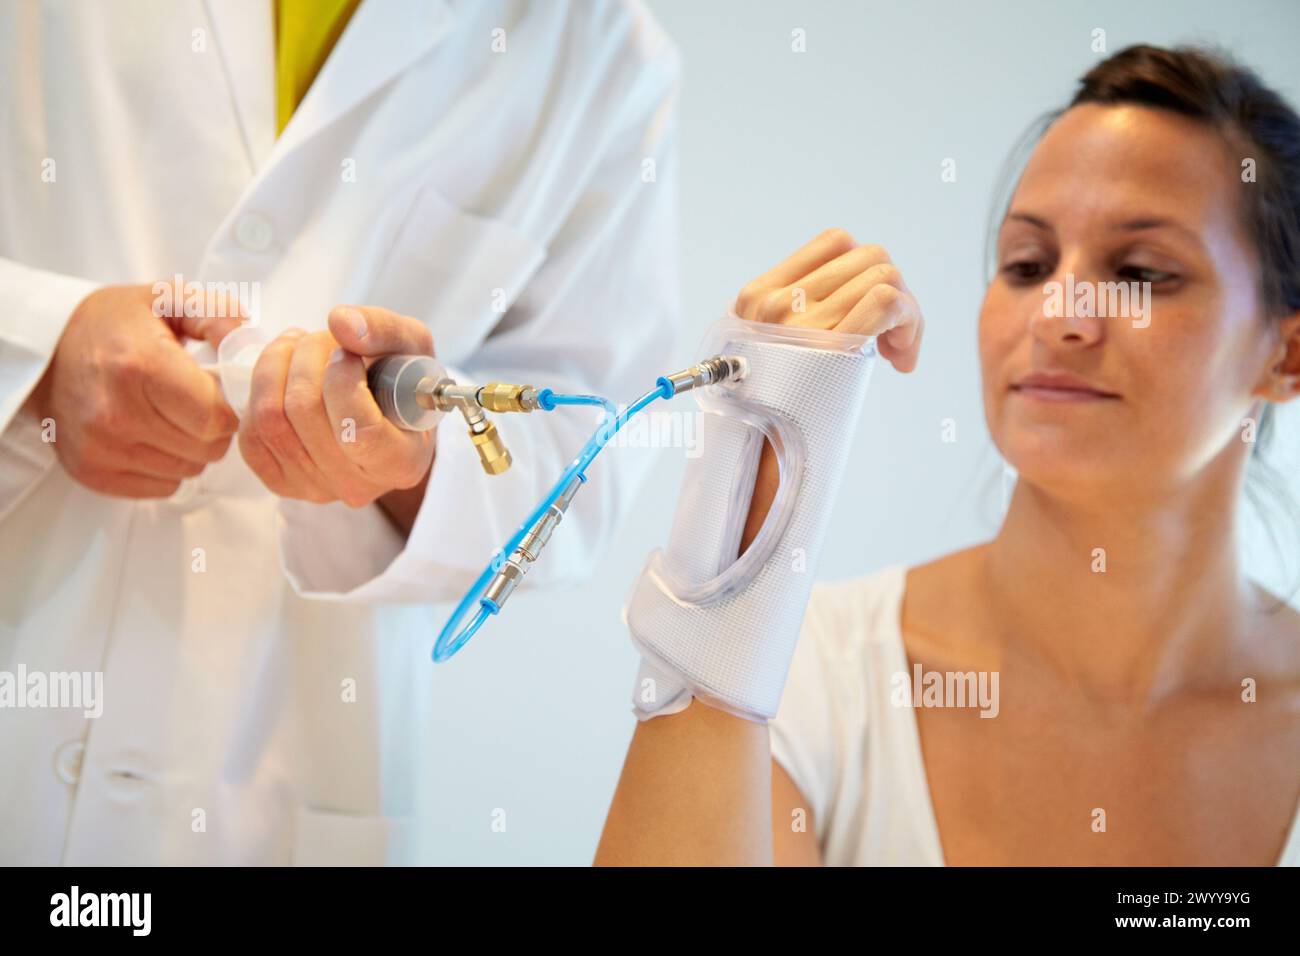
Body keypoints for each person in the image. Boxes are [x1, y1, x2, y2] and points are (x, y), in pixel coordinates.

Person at [0, 0, 681, 864]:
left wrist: (409, 462)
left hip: (277, 767)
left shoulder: (597, 50)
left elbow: (584, 446)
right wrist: (35, 350)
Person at [596, 44, 1300, 866]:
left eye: (1139, 273)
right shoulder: (809, 673)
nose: (1057, 315)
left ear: (1284, 357)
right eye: (1027, 265)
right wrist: (731, 556)